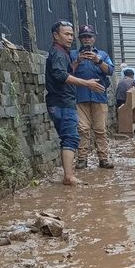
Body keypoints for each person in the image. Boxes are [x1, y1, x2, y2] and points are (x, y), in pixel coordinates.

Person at [44, 21, 105, 186]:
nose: (70, 38)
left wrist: (78, 62)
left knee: (72, 136)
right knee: (70, 138)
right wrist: (87, 83)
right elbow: (60, 76)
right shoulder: (58, 53)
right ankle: (69, 176)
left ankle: (69, 174)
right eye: (66, 34)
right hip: (62, 102)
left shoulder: (64, 53)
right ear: (56, 35)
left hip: (64, 101)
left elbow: (66, 71)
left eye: (71, 34)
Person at [73, 24, 115, 170]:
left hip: (99, 98)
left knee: (100, 130)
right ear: (80, 39)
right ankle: (82, 160)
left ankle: (103, 159)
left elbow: (110, 71)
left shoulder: (103, 55)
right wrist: (78, 61)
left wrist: (98, 60)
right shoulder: (73, 55)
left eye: (89, 36)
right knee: (82, 130)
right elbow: (67, 73)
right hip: (80, 97)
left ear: (94, 39)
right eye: (84, 37)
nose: (87, 39)